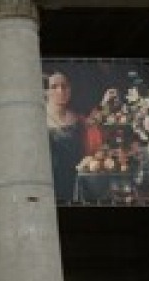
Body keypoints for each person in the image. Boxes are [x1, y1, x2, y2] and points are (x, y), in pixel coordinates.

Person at [45, 70, 87, 202]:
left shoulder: (77, 118)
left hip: (76, 183)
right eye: (54, 87)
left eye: (65, 86)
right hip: (50, 185)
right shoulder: (38, 119)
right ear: (45, 91)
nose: (61, 90)